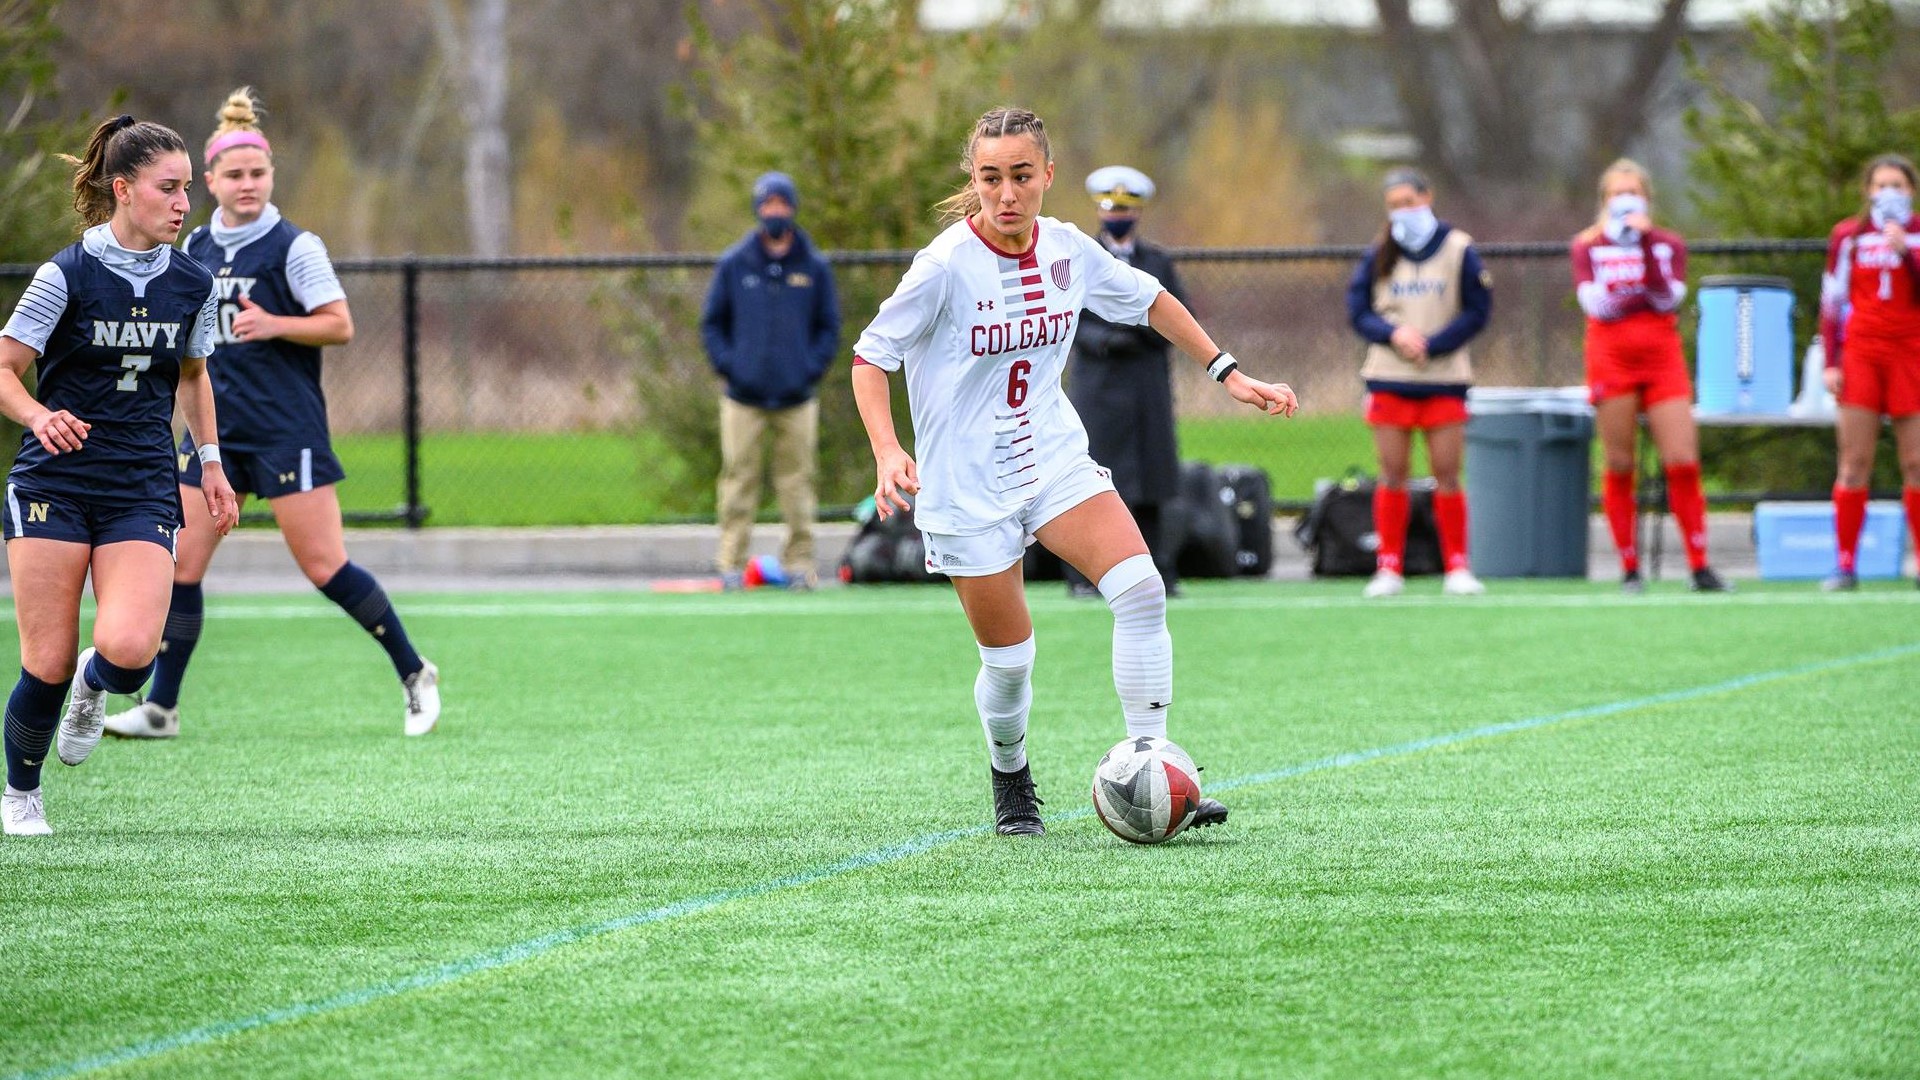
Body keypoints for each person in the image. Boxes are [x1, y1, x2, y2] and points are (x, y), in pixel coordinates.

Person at [850, 107, 1297, 836]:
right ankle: (1011, 778)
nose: (1006, 193)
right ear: (974, 178)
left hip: (1052, 461)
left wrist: (1228, 372)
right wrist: (888, 450)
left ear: (1047, 177)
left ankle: (1154, 767)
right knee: (1011, 663)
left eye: (1022, 176)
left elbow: (1148, 298)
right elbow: (872, 357)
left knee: (1143, 591)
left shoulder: (1067, 248)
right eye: (990, 178)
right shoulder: (942, 267)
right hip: (966, 486)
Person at [103, 88, 439, 742]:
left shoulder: (294, 245)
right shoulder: (193, 244)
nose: (248, 184)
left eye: (258, 172)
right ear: (211, 180)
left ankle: (413, 671)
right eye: (234, 174)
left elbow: (340, 325)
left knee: (323, 567)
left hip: (287, 429)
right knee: (182, 568)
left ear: (271, 175)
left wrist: (275, 323)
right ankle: (162, 709)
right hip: (215, 436)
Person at [1, 116, 238, 836]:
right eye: (169, 189)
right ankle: (20, 792)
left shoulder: (193, 282)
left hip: (140, 480)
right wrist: (39, 416)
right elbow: (5, 371)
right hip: (55, 483)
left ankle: (93, 685)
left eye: (188, 189)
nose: (183, 204)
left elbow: (193, 379)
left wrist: (212, 463)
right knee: (43, 660)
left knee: (129, 653)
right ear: (123, 189)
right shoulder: (65, 273)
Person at [1571, 158, 1729, 593]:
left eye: (1633, 193)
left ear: (1647, 199)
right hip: (1611, 360)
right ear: (1604, 201)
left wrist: (1641, 252)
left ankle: (1700, 566)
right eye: (1617, 194)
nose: (1626, 201)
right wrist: (1634, 295)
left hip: (1662, 360)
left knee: (1682, 459)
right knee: (1620, 463)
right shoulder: (1588, 246)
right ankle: (1629, 569)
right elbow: (1596, 306)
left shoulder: (1666, 244)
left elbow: (1666, 299)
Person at [1346, 167, 1491, 598]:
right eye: (1393, 206)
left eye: (1408, 202)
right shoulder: (1378, 253)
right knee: (1393, 474)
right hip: (1390, 376)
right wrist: (1394, 335)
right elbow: (1359, 311)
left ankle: (1457, 567)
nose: (1402, 213)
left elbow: (1478, 310)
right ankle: (1389, 566)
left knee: (1447, 473)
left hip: (1443, 378)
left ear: (1427, 197)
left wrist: (1435, 343)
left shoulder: (1458, 248)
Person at [700, 171, 841, 591]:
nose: (774, 213)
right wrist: (731, 367)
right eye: (767, 205)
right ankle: (730, 564)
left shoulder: (814, 267)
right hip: (743, 398)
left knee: (798, 482)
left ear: (793, 209)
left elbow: (828, 327)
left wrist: (809, 368)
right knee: (738, 479)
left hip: (797, 397)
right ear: (757, 210)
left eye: (781, 205)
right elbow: (712, 325)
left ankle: (800, 563)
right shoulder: (734, 265)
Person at [1061, 165, 1187, 600]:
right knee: (1090, 476)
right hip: (1098, 383)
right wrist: (1110, 339)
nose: (1117, 214)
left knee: (1152, 476)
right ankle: (1084, 576)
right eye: (1110, 206)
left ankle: (1159, 570)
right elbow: (1070, 318)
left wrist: (1134, 334)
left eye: (1125, 207)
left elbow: (1171, 315)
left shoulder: (1158, 262)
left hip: (1145, 383)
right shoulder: (1076, 257)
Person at [1818, 153, 1920, 590]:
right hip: (1862, 350)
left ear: (1911, 191)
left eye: (1897, 184)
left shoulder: (1914, 234)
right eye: (1880, 185)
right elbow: (1832, 303)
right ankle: (1845, 564)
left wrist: (1906, 253)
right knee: (1854, 461)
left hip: (1910, 351)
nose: (1888, 193)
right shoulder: (1849, 236)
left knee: (1915, 461)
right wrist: (1830, 361)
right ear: (1868, 191)